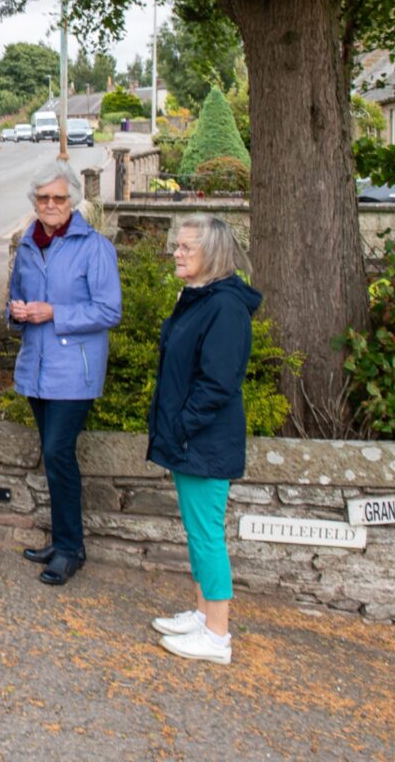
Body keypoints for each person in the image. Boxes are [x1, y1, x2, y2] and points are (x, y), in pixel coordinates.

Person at [145, 214, 259, 664]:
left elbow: (218, 384)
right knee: (197, 532)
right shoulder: (199, 298)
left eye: (186, 248)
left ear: (211, 254)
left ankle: (217, 635)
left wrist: (181, 427)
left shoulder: (225, 308)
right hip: (191, 440)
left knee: (207, 535)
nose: (176, 252)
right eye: (178, 245)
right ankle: (201, 612)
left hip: (204, 442)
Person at [7, 160, 121, 586]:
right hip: (36, 366)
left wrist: (54, 312)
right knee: (54, 458)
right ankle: (62, 539)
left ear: (72, 200)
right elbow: (15, 301)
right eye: (43, 198)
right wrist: (16, 313)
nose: (51, 204)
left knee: (58, 453)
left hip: (75, 370)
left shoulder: (94, 247)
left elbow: (110, 310)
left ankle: (71, 548)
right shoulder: (27, 245)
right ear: (34, 203)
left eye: (58, 197)